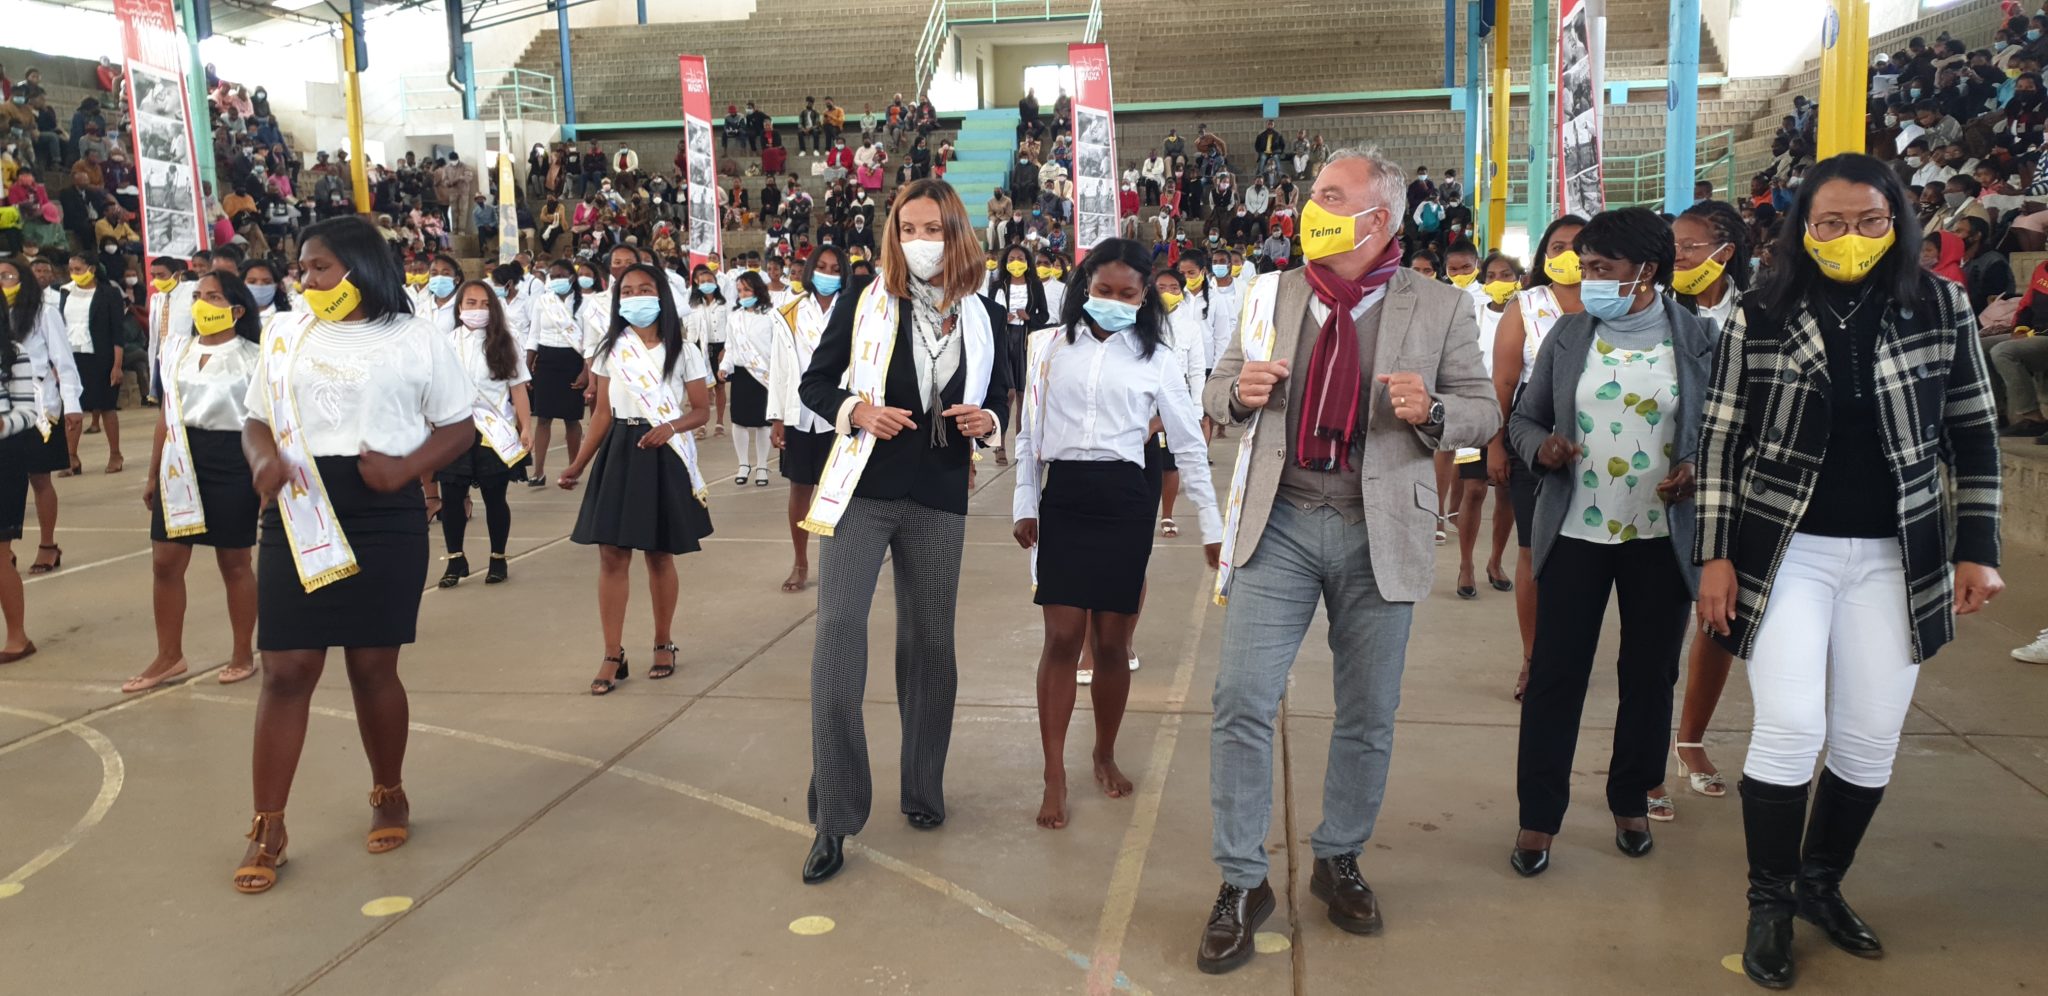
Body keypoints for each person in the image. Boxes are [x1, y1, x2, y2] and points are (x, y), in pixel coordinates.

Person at [1695, 153, 2002, 990]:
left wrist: (1979, 545)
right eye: (1828, 223)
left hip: (1898, 556)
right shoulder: (1759, 311)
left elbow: (1973, 432)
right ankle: (1768, 901)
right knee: (1792, 725)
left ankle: (1819, 886)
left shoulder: (1939, 306)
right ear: (1802, 229)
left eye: (1870, 221)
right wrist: (1715, 554)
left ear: (1897, 223)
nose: (1850, 237)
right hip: (1788, 551)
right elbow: (1720, 441)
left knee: (1869, 740)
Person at [1195, 148, 1499, 973]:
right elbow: (1214, 390)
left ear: (1379, 219)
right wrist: (1238, 393)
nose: (1311, 208)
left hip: (1381, 528)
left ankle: (1338, 857)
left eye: (1330, 197)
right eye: (1313, 195)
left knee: (1368, 711)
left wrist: (1432, 411)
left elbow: (1481, 410)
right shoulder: (1272, 292)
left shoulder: (1440, 307)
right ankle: (1241, 879)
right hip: (1283, 520)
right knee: (1240, 700)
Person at [230, 215, 475, 894]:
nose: (306, 280)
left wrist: (407, 471)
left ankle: (388, 789)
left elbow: (459, 425)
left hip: (381, 507)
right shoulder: (284, 333)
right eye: (302, 269)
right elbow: (255, 419)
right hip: (298, 501)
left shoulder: (415, 336)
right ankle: (267, 824)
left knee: (372, 665)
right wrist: (260, 463)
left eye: (319, 268)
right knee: (285, 668)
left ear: (360, 268)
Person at [794, 178, 1005, 885]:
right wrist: (858, 410)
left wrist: (989, 423)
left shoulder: (985, 313)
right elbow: (816, 385)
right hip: (863, 491)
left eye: (934, 227)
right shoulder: (863, 301)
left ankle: (923, 788)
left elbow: (999, 395)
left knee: (929, 648)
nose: (920, 240)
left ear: (957, 233)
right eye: (908, 227)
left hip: (940, 494)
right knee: (837, 643)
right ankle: (835, 817)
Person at [1504, 206, 1715, 877]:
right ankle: (1538, 819)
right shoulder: (1569, 336)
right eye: (1584, 267)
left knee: (1649, 677)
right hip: (1575, 534)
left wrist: (1696, 470)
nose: (1588, 279)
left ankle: (1630, 800)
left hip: (1660, 537)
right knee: (1555, 677)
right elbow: (1524, 420)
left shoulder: (1701, 340)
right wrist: (1545, 449)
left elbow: (1721, 433)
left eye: (1602, 268)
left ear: (1646, 271)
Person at [1011, 237, 1220, 829]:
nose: (1114, 300)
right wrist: (1025, 503)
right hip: (1067, 496)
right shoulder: (1048, 348)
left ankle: (1103, 750)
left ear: (1143, 296)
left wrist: (1211, 521)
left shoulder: (1155, 357)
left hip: (1128, 498)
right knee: (1061, 634)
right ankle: (1055, 770)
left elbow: (1186, 441)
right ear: (1085, 288)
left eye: (1128, 293)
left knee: (1109, 642)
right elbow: (1029, 432)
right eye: (1103, 290)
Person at [558, 261, 715, 695]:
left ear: (661, 294)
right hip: (621, 453)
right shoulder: (614, 348)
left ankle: (663, 641)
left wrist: (672, 427)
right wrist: (578, 464)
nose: (635, 298)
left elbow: (701, 409)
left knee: (660, 554)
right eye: (627, 291)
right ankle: (613, 653)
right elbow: (603, 414)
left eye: (644, 289)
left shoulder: (685, 349)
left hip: (663, 452)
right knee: (611, 555)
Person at [1649, 198, 1752, 816]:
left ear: (1725, 254)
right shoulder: (1655, 311)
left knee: (1719, 618)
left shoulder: (1762, 313)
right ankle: (1645, 760)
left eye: (1689, 246)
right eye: (1674, 246)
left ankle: (1689, 740)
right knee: (1660, 627)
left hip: (1735, 483)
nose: (1677, 257)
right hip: (1665, 484)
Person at [126, 270, 263, 692]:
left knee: (234, 562)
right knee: (165, 561)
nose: (203, 304)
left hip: (233, 458)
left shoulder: (255, 357)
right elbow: (166, 416)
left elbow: (265, 421)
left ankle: (243, 652)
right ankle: (170, 655)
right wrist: (153, 472)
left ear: (236, 309)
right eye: (199, 296)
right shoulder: (176, 350)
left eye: (215, 297)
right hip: (181, 460)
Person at [1489, 214, 1586, 699]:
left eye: (1579, 245)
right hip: (1534, 440)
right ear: (1545, 255)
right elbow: (1504, 383)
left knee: (1582, 555)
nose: (1568, 255)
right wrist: (1495, 444)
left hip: (1597, 445)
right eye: (1558, 246)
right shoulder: (1527, 305)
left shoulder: (1614, 299)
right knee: (1532, 551)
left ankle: (1568, 652)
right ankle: (1532, 658)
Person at [434, 280, 534, 588]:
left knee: (494, 498)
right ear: (460, 307)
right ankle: (455, 559)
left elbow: (517, 387)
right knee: (451, 498)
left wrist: (525, 426)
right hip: (456, 429)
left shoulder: (506, 342)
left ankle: (498, 558)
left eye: (483, 303)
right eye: (470, 303)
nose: (477, 309)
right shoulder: (446, 342)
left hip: (494, 430)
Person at [768, 245, 843, 593]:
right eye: (822, 267)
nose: (827, 274)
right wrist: (777, 417)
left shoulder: (854, 311)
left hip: (840, 414)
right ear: (810, 271)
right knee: (800, 489)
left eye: (834, 268)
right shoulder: (789, 312)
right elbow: (780, 367)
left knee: (839, 492)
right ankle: (800, 562)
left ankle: (839, 564)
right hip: (799, 414)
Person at [0, 258, 79, 578]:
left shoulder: (44, 313)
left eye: (8, 275)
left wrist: (72, 403)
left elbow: (63, 360)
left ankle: (48, 544)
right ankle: (6, 547)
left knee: (39, 477)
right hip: (6, 412)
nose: (3, 281)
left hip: (40, 408)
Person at [1454, 251, 1523, 599]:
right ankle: (1465, 563)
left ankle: (1495, 560)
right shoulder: (1473, 313)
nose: (1499, 282)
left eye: (1506, 274)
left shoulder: (1526, 314)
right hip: (1473, 415)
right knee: (1473, 490)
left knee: (1507, 491)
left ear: (1519, 278)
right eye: (1492, 275)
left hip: (1513, 415)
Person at [57, 253, 124, 475]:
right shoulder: (65, 292)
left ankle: (115, 454)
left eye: (78, 269)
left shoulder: (109, 293)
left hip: (101, 357)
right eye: (72, 270)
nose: (74, 274)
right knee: (72, 408)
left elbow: (117, 332)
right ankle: (71, 456)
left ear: (92, 269)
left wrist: (117, 365)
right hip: (72, 357)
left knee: (106, 407)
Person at [525, 260, 587, 487]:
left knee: (572, 419)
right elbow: (534, 335)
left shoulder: (584, 304)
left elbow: (590, 341)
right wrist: (528, 367)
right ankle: (538, 472)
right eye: (553, 276)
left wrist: (585, 372)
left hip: (573, 361)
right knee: (543, 418)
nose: (557, 279)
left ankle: (574, 468)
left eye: (561, 275)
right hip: (547, 361)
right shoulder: (543, 301)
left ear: (572, 277)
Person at [987, 244, 1049, 465]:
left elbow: (1045, 315)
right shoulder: (997, 285)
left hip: (1024, 340)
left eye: (1020, 258)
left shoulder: (1035, 286)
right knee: (1007, 394)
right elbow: (988, 313)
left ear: (1027, 261)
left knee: (1023, 396)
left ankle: (1022, 446)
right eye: (1012, 258)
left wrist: (1028, 316)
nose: (1016, 262)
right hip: (1003, 341)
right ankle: (1000, 446)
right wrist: (1002, 318)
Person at [721, 271, 779, 488]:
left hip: (765, 375)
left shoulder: (771, 316)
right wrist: (724, 366)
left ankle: (762, 465)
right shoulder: (734, 318)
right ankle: (743, 464)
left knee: (763, 423)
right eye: (739, 291)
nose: (743, 294)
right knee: (740, 421)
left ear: (757, 290)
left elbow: (777, 347)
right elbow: (730, 347)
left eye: (747, 289)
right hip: (743, 373)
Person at [684, 265, 730, 439]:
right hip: (700, 347)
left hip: (720, 347)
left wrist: (726, 349)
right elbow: (690, 328)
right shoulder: (694, 305)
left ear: (716, 283)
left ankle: (719, 422)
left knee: (720, 386)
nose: (706, 284)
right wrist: (690, 350)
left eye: (709, 281)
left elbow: (730, 328)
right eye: (702, 281)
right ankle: (701, 424)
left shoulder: (724, 304)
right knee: (702, 388)